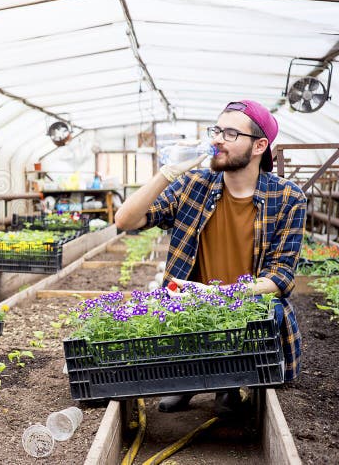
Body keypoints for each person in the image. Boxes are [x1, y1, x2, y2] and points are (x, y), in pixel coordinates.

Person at [115, 100, 305, 415]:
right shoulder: (193, 185)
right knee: (187, 329)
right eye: (216, 130)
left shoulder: (287, 197)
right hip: (189, 312)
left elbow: (281, 277)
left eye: (230, 133)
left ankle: (228, 385)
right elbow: (126, 221)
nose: (217, 139)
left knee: (246, 336)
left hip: (246, 314)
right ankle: (185, 383)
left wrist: (223, 293)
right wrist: (165, 174)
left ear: (259, 145)